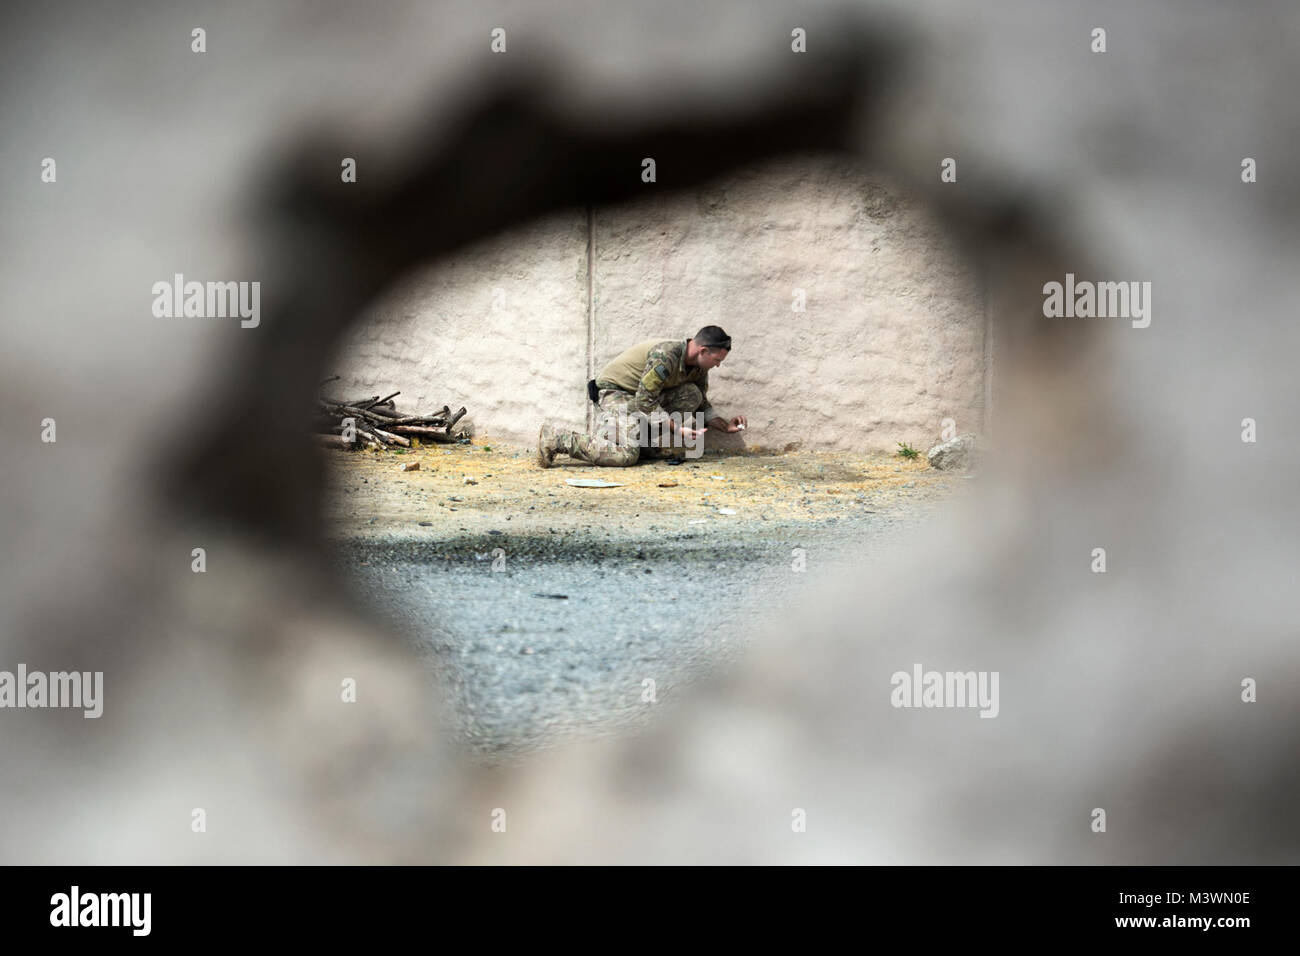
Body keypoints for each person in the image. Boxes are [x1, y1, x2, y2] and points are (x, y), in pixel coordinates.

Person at [537, 325, 747, 467]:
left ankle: (643, 444)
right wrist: (676, 428)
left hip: (636, 401)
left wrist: (725, 425)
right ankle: (557, 438)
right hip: (614, 393)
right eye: (717, 359)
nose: (718, 365)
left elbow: (701, 402)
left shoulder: (699, 368)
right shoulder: (666, 356)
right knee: (626, 456)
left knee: (691, 394)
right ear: (702, 351)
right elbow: (645, 400)